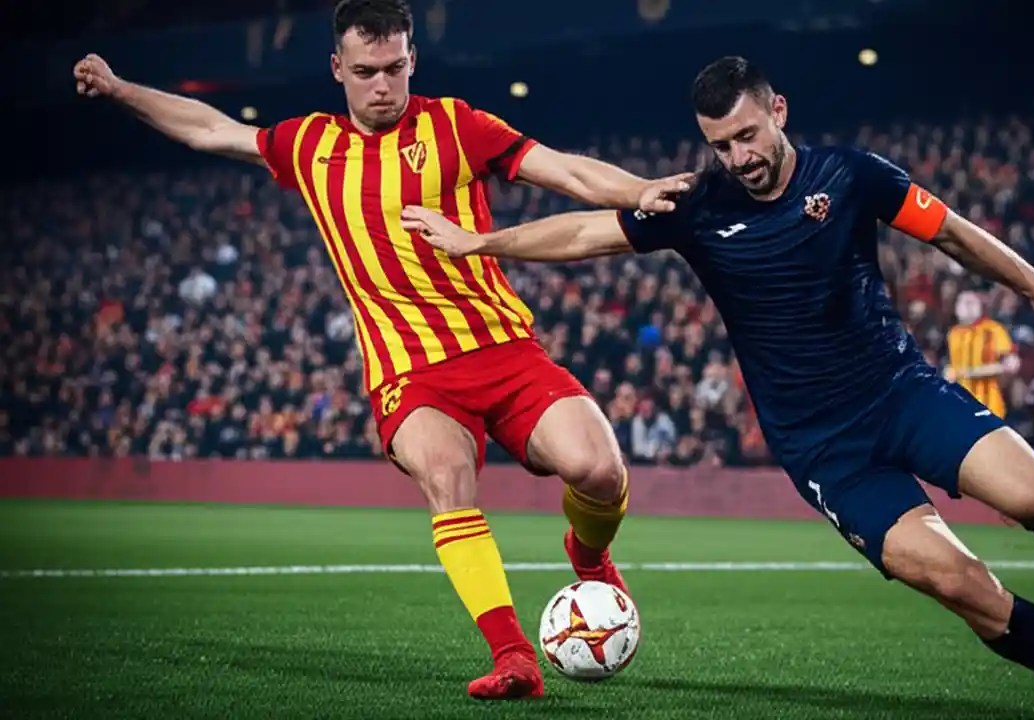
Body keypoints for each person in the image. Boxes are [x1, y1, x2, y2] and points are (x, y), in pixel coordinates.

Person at [402, 56, 1034, 718]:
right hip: (823, 447)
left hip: (900, 393)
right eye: (719, 145)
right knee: (956, 581)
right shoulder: (697, 205)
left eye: (746, 135)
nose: (738, 156)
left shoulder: (850, 174)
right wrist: (483, 243)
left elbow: (951, 233)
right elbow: (582, 233)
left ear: (778, 111)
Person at [73, 0, 693, 701]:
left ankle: (589, 555)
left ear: (412, 61)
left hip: (503, 348)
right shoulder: (309, 145)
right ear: (338, 68)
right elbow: (212, 131)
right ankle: (514, 655)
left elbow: (567, 172)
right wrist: (123, 90)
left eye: (395, 68)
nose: (382, 86)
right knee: (446, 476)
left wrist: (641, 191)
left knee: (600, 469)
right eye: (365, 71)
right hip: (410, 370)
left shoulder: (458, 125)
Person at [944, 291, 1019, 419]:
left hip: (989, 405)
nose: (967, 306)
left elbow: (1011, 365)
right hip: (961, 406)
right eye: (963, 302)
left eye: (971, 302)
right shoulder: (953, 334)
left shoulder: (994, 330)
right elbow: (952, 367)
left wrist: (971, 372)